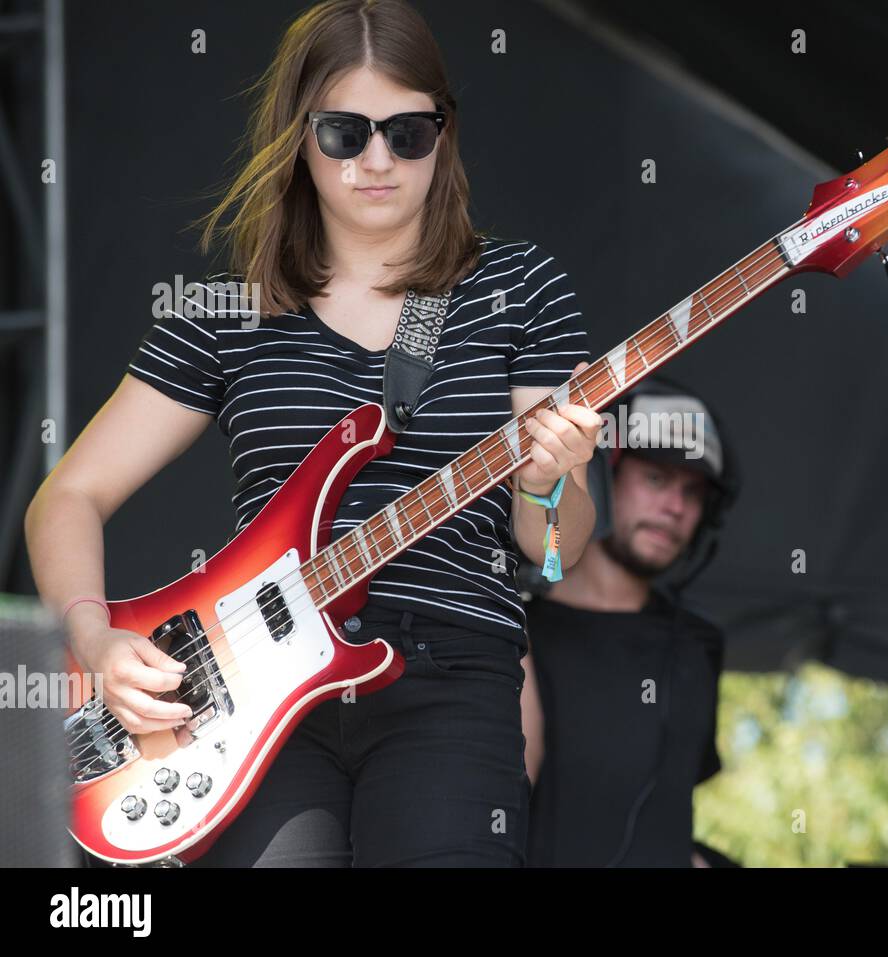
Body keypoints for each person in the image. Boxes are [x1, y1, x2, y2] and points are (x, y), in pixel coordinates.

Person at [24, 0, 601, 867]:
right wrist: (95, 636)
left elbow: (555, 556)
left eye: (409, 132)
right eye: (345, 132)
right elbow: (68, 494)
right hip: (252, 695)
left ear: (445, 135)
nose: (378, 159)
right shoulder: (228, 311)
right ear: (300, 136)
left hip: (450, 679)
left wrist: (548, 484)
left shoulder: (520, 287)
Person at [519, 379, 740, 866]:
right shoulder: (515, 632)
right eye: (656, 479)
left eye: (693, 493)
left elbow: (664, 816)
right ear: (602, 476)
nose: (675, 507)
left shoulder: (700, 645)